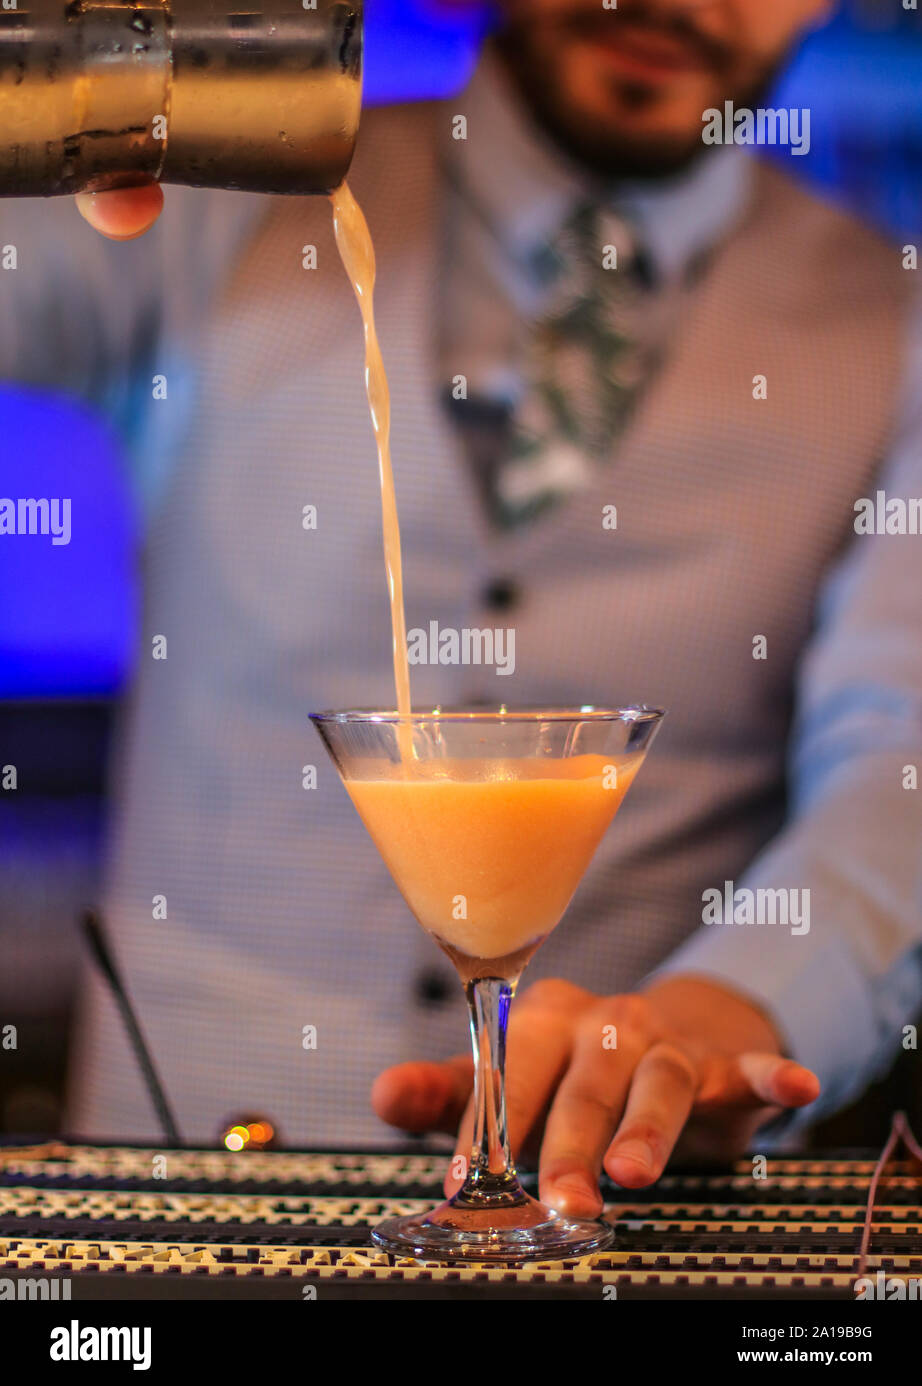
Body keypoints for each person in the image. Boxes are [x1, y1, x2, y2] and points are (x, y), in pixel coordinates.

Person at [2, 0, 920, 1221]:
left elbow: (897, 757)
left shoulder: (896, 322)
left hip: (619, 1203)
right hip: (184, 1157)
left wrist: (733, 1003)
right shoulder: (214, 184)